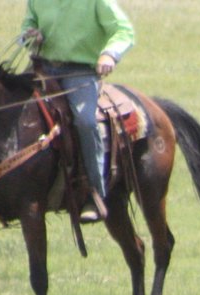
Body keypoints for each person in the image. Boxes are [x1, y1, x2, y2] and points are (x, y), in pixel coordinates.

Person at [21, 0, 134, 223]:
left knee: (85, 122)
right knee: (12, 106)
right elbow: (28, 26)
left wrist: (110, 54)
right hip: (41, 68)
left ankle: (94, 193)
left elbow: (123, 30)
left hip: (79, 71)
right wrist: (30, 35)